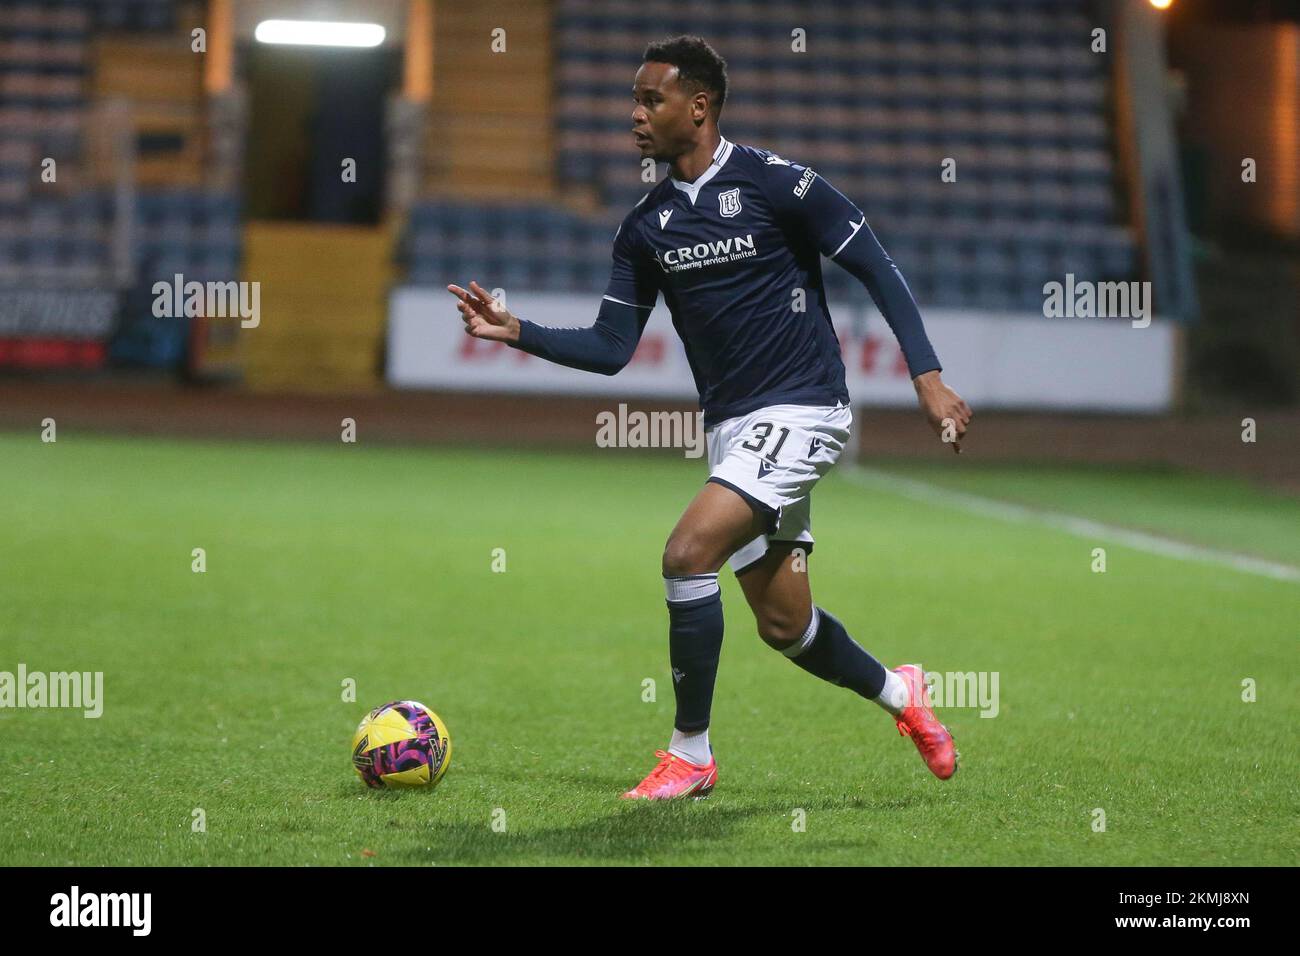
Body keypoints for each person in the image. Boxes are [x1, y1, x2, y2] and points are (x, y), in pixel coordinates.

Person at [448, 35, 971, 799]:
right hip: (735, 430)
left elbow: (875, 265)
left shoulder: (777, 184)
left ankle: (690, 753)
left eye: (649, 99)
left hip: (806, 409)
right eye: (633, 99)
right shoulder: (646, 226)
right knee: (785, 625)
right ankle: (903, 694)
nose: (634, 114)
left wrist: (928, 377)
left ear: (697, 108)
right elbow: (610, 347)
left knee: (687, 552)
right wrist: (515, 330)